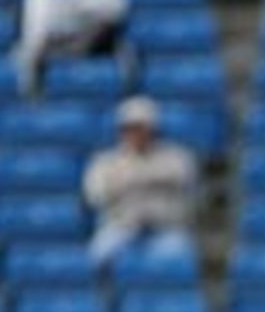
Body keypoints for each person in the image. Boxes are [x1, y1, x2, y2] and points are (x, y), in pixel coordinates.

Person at [83, 95, 198, 271]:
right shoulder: (106, 161)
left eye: (139, 127)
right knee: (96, 255)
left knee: (180, 254)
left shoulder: (177, 157)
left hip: (165, 228)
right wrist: (149, 181)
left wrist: (130, 181)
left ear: (153, 128)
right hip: (121, 227)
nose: (134, 133)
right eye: (128, 128)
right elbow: (95, 195)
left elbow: (187, 181)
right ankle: (104, 297)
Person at [14, 0, 131, 96]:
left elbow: (115, 16)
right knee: (22, 56)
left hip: (94, 54)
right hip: (51, 58)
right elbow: (35, 38)